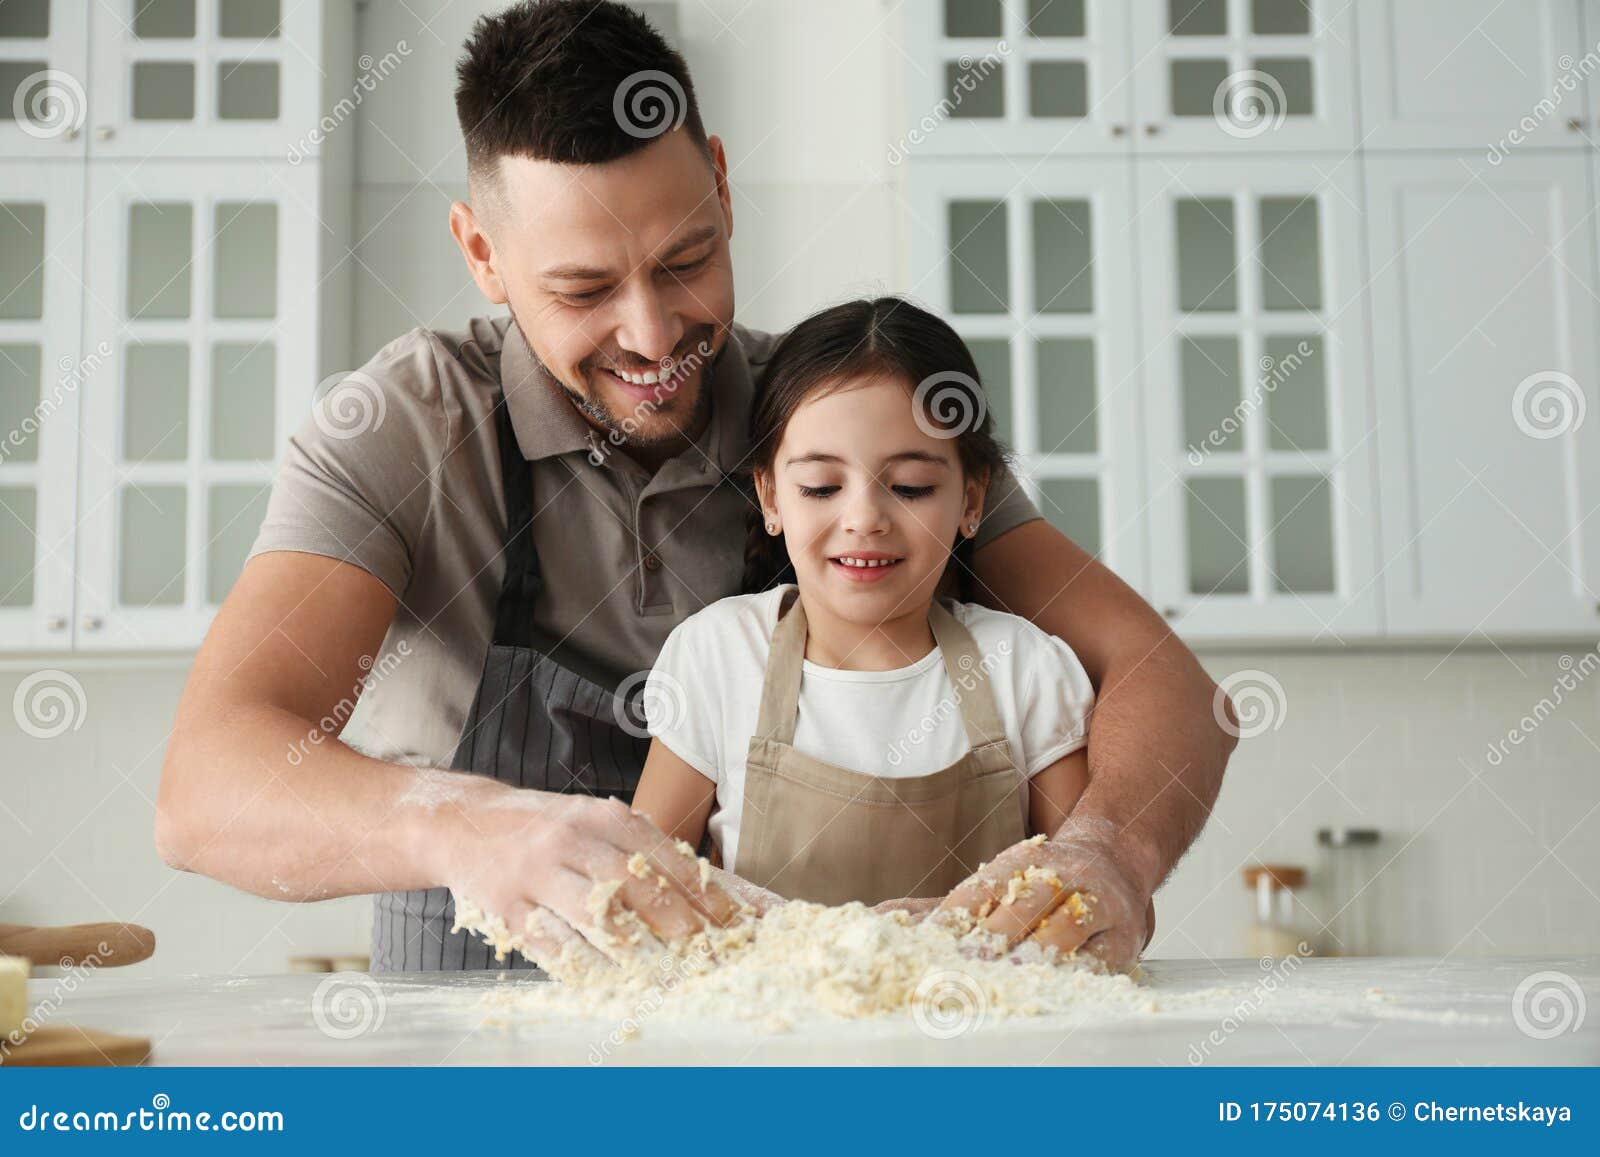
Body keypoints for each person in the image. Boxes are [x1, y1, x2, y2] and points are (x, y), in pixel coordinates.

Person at [155, 0, 1233, 975]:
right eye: (583, 288)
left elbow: (1158, 676)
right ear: (482, 252)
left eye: (685, 259)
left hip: (761, 1049)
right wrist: (464, 824)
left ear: (720, 180)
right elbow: (207, 784)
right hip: (467, 1049)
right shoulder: (404, 425)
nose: (654, 333)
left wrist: (1109, 852)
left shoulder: (831, 427)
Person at [634, 297, 1097, 919]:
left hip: (985, 1011)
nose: (864, 519)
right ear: (770, 497)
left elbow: (1085, 904)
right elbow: (642, 891)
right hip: (767, 1015)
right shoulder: (717, 657)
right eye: (822, 487)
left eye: (910, 487)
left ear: (971, 500)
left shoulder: (1026, 669)